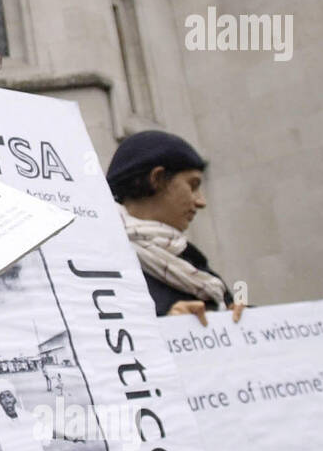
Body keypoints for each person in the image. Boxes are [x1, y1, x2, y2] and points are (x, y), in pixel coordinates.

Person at [105, 130, 245, 326]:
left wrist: (245, 317)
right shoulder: (101, 263)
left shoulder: (192, 261)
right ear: (158, 179)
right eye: (193, 185)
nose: (201, 201)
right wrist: (169, 325)